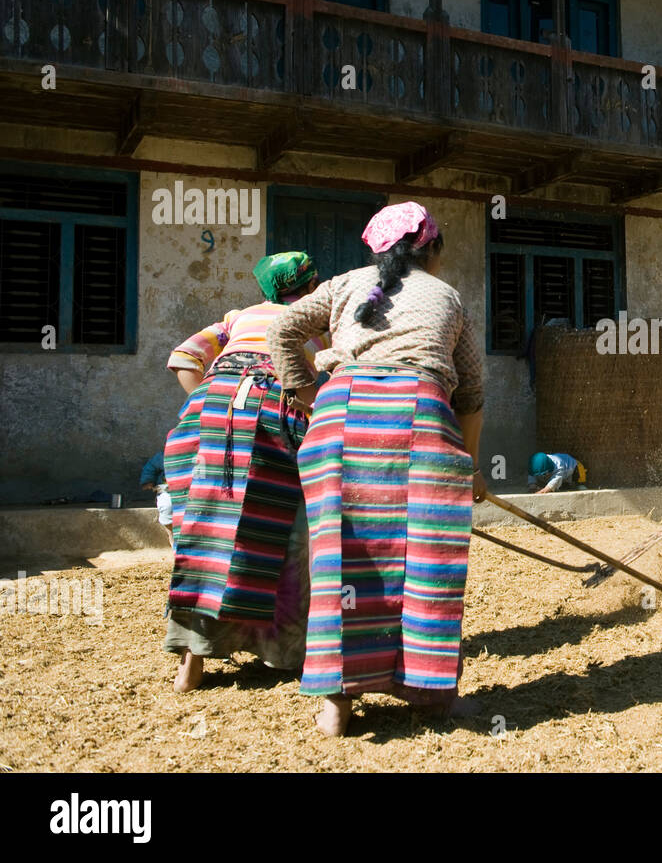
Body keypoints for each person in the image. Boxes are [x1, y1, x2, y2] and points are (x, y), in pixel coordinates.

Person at [266, 201, 486, 737]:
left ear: (376, 249)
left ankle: (336, 705)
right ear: (431, 248)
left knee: (339, 560)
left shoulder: (344, 284)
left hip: (340, 423)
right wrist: (472, 469)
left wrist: (312, 397)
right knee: (428, 557)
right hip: (418, 418)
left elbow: (283, 332)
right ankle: (431, 696)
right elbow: (472, 391)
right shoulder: (447, 296)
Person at [163, 251, 322, 692]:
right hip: (271, 418)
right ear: (308, 288)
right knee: (288, 538)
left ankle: (191, 662)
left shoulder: (237, 316)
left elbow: (182, 361)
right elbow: (330, 374)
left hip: (201, 421)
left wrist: (208, 401)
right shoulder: (312, 318)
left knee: (203, 535)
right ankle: (285, 652)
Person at [139, 450, 172, 540]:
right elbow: (150, 467)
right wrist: (148, 481)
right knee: (167, 506)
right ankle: (171, 535)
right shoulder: (164, 456)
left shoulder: (198, 455)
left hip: (190, 492)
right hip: (167, 490)